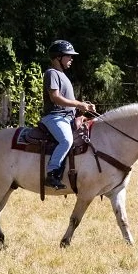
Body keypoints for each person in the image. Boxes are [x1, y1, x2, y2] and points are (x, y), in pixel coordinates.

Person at [42, 40, 98, 189]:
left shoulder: (63, 75)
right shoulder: (51, 73)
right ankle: (52, 172)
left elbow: (68, 102)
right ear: (58, 57)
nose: (71, 59)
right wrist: (79, 104)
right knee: (66, 140)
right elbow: (56, 98)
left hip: (67, 117)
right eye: (68, 56)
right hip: (55, 117)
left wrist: (82, 107)